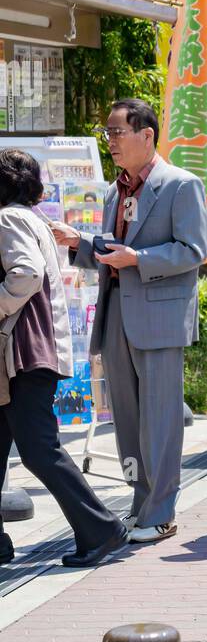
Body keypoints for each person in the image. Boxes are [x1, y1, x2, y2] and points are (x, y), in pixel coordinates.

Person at [51, 99, 207, 545]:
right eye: (108, 134)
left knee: (160, 420)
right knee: (126, 419)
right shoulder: (112, 191)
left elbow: (194, 250)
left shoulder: (181, 185)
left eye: (117, 133)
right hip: (116, 310)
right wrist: (78, 242)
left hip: (159, 317)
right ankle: (140, 505)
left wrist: (139, 258)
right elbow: (111, 250)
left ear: (147, 135)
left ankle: (161, 513)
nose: (111, 142)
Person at [0, 149, 126, 569]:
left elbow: (26, 274)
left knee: (38, 449)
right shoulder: (33, 218)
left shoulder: (9, 218)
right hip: (31, 351)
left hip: (24, 353)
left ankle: (102, 528)